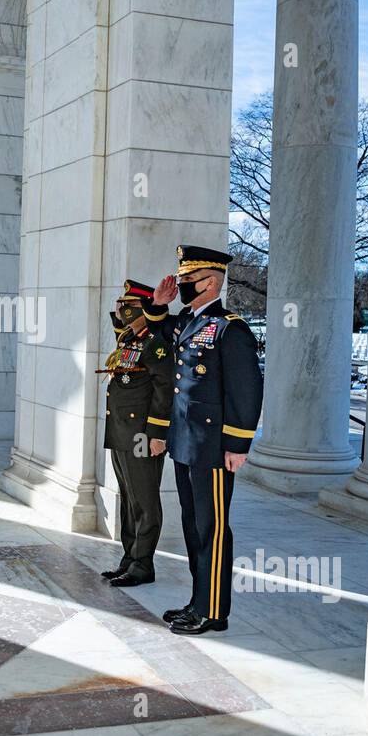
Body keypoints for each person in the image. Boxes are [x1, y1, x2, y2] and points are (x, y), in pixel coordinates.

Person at [140, 246, 263, 634]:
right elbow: (159, 331)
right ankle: (198, 601)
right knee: (193, 526)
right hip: (186, 443)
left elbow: (246, 392)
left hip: (212, 447)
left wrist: (238, 445)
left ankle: (213, 611)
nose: (181, 288)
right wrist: (157, 305)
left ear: (210, 283)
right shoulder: (188, 322)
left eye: (188, 282)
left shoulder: (231, 328)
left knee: (212, 528)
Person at [99, 280, 173, 587]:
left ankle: (143, 565)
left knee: (144, 499)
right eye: (121, 304)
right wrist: (118, 318)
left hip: (142, 435)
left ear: (144, 308)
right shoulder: (131, 340)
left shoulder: (156, 342)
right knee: (128, 498)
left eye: (128, 305)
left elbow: (165, 390)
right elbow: (122, 332)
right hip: (121, 431)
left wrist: (158, 434)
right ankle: (129, 558)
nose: (122, 310)